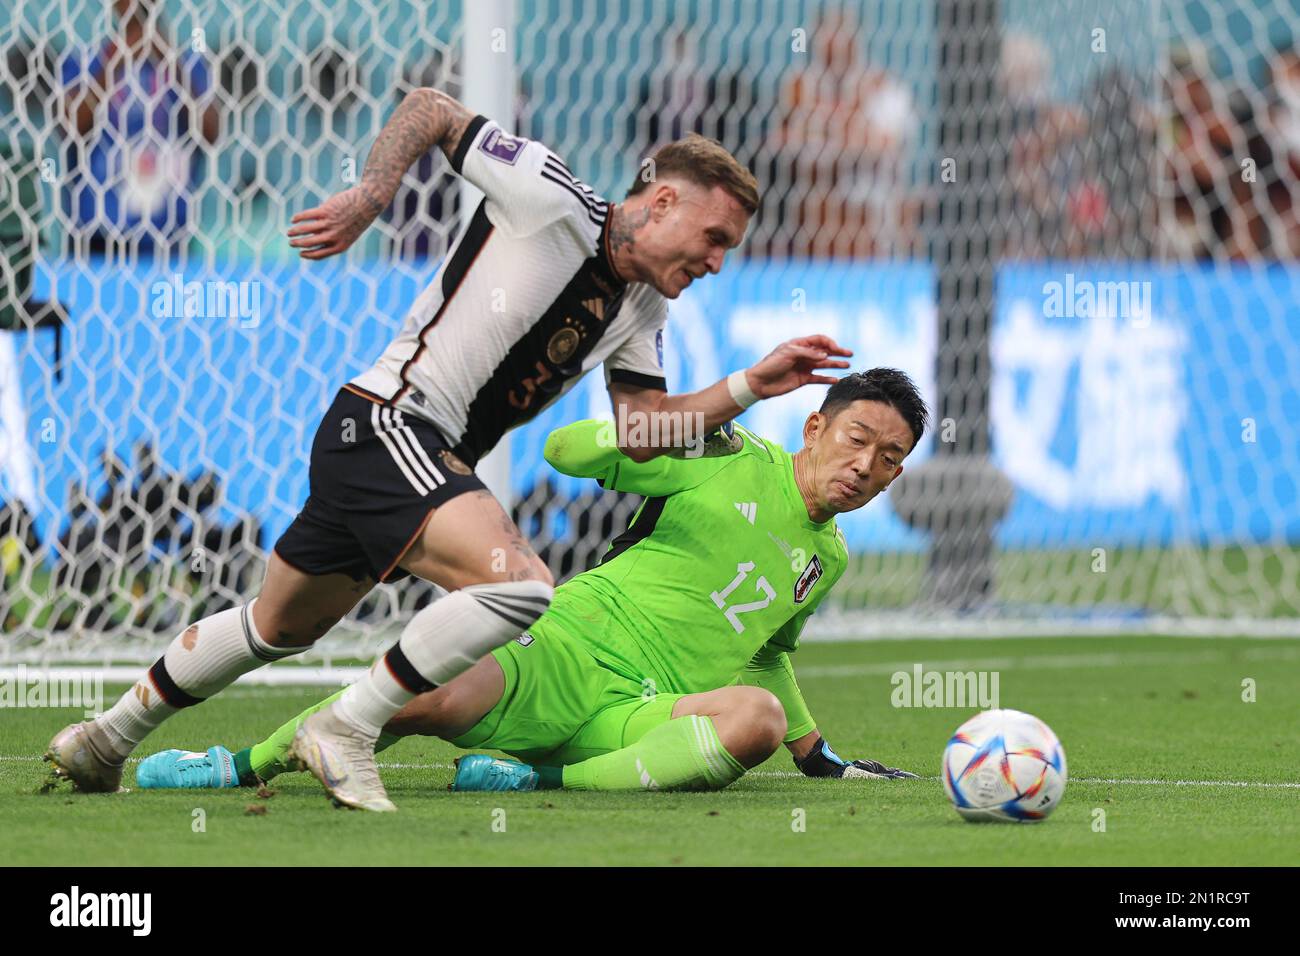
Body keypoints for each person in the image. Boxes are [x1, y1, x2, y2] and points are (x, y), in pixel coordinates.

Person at [45, 83, 853, 812]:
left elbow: (641, 431)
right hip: (392, 420)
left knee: (276, 627)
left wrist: (749, 385)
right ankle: (346, 728)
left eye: (728, 252)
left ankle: (103, 740)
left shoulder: (642, 309)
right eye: (713, 238)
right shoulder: (549, 193)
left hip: (405, 457)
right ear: (663, 200)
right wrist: (372, 192)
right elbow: (432, 107)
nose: (715, 262)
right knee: (524, 587)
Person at [136, 370, 927, 794]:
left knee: (750, 720)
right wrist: (684, 422)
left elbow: (765, 655)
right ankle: (240, 765)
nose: (868, 467)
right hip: (564, 649)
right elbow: (566, 451)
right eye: (859, 439)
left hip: (642, 713)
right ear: (816, 427)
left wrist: (812, 749)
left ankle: (534, 778)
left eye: (891, 459)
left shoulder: (833, 558)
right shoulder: (725, 457)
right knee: (425, 696)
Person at [58, 0, 219, 259]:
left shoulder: (189, 64)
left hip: (168, 239)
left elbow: (210, 132)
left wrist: (168, 58)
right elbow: (70, 127)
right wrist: (116, 61)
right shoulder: (85, 61)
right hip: (98, 238)